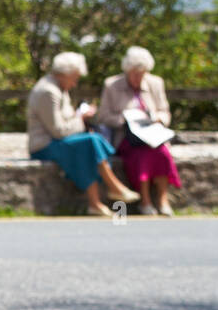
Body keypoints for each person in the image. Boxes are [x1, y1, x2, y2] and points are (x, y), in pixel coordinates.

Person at [27, 52, 140, 217]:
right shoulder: (48, 92)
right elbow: (58, 131)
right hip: (44, 145)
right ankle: (114, 187)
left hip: (59, 142)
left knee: (90, 144)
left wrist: (80, 116)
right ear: (64, 74)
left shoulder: (59, 88)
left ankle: (96, 203)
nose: (75, 83)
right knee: (90, 142)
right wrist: (81, 118)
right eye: (75, 78)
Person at [97, 46, 180, 216]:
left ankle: (163, 200)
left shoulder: (155, 83)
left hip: (153, 135)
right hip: (127, 137)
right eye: (134, 74)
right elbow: (103, 116)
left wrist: (157, 118)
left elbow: (165, 112)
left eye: (141, 74)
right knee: (142, 154)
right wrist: (126, 120)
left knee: (162, 152)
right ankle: (145, 200)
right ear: (127, 70)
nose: (138, 78)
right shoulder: (112, 85)